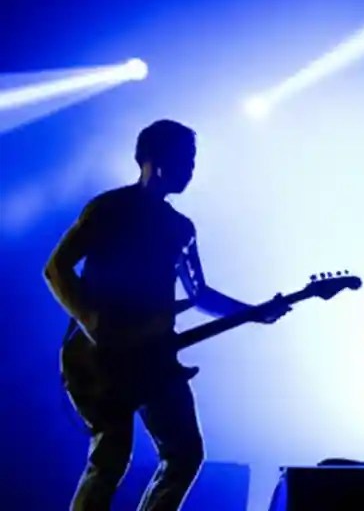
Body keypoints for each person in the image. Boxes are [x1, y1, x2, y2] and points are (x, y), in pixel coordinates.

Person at [44, 120, 285, 511]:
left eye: (193, 160)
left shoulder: (180, 228)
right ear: (154, 160)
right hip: (98, 360)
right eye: (185, 159)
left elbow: (200, 294)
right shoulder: (109, 208)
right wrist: (95, 325)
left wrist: (255, 312)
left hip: (155, 359)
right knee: (111, 458)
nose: (191, 168)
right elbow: (56, 268)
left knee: (185, 454)